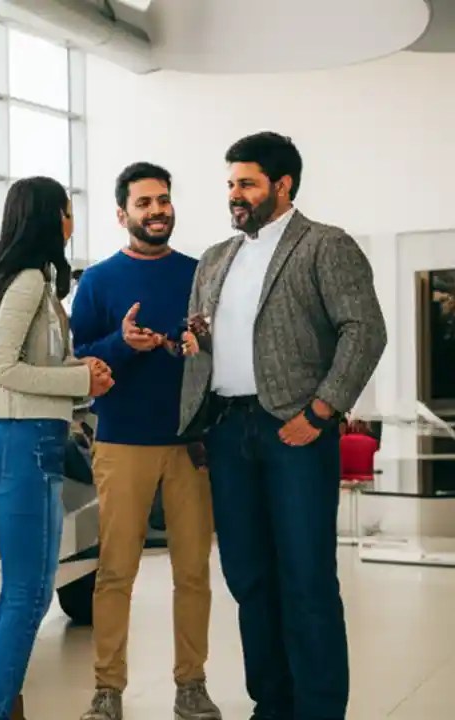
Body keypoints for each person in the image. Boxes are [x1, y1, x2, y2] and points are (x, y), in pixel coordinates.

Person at [179, 132, 386, 720]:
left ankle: (318, 710)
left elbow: (365, 330)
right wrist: (197, 416)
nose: (234, 195)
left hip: (295, 432)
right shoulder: (215, 259)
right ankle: (272, 706)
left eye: (246, 183)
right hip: (228, 432)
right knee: (248, 578)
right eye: (230, 184)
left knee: (306, 579)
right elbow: (203, 343)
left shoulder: (325, 245)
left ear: (283, 185)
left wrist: (321, 411)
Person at [69, 162, 221, 720]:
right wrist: (123, 342)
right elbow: (79, 360)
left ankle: (191, 684)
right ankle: (107, 689)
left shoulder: (199, 273)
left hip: (191, 443)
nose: (157, 210)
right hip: (122, 443)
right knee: (115, 571)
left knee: (193, 572)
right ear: (122, 214)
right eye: (144, 203)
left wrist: (198, 344)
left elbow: (221, 348)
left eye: (163, 200)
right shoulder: (98, 281)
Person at [0, 176, 113, 720]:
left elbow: (35, 367)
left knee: (30, 590)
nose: (72, 220)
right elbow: (1, 368)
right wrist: (80, 380)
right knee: (28, 593)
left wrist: (83, 374)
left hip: (32, 441)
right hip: (22, 444)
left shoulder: (34, 282)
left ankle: (5, 706)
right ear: (50, 217)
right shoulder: (28, 281)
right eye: (67, 210)